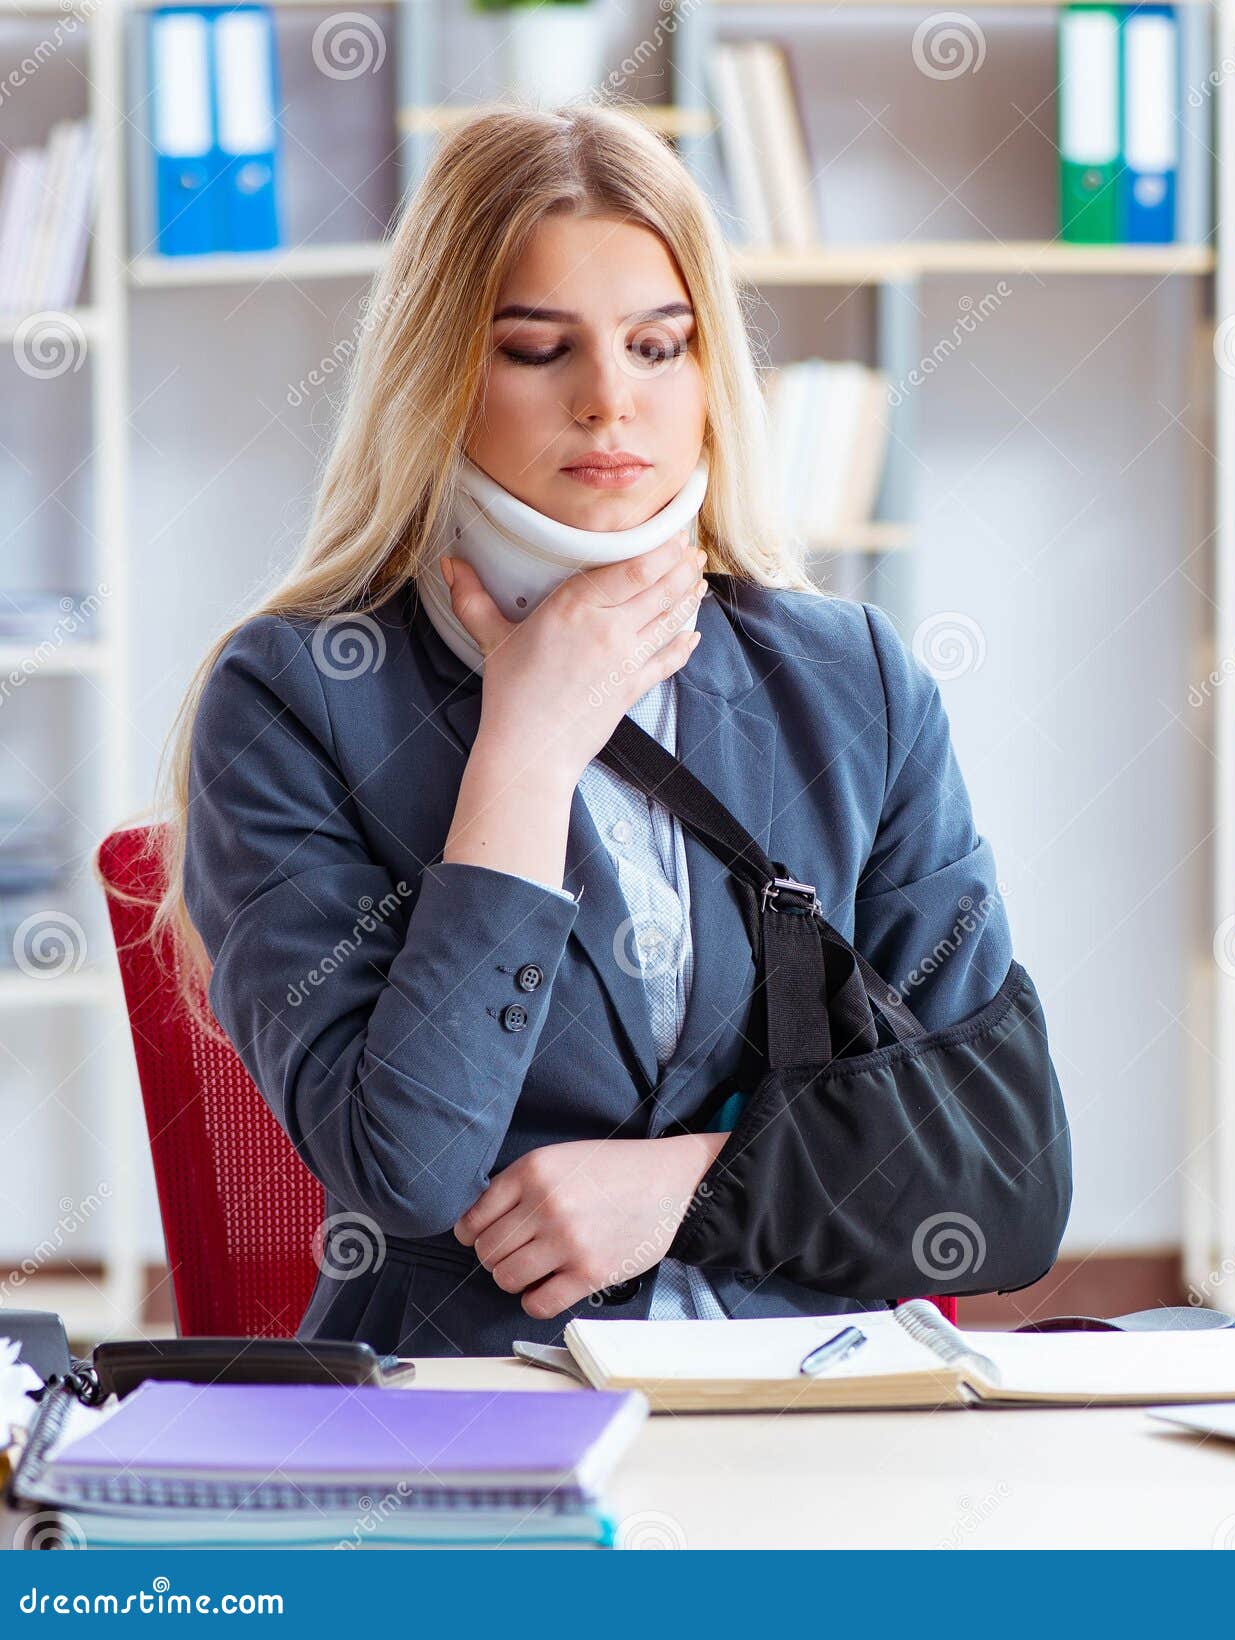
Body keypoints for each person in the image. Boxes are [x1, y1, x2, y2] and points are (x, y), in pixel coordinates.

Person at [158, 105, 1023, 1355]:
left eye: (658, 346)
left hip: (808, 1403)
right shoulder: (295, 693)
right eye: (535, 347)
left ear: (708, 377)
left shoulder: (853, 680)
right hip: (471, 1413)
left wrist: (697, 1186)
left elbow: (991, 1164)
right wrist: (528, 741)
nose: (609, 400)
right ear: (440, 380)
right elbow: (405, 1163)